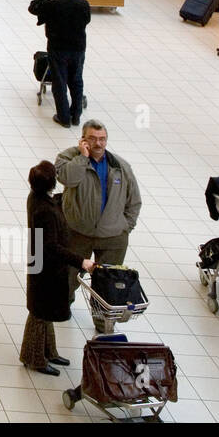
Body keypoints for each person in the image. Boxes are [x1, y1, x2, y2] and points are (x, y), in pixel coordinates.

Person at [22, 161, 97, 376]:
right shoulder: (45, 210)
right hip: (47, 268)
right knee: (39, 313)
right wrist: (81, 261)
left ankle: (48, 351)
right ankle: (34, 357)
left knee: (43, 311)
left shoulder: (36, 199)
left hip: (40, 263)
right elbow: (52, 246)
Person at [55, 120, 143, 303]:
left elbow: (134, 201)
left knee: (108, 283)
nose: (98, 143)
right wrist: (82, 157)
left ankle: (103, 322)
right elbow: (68, 179)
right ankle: (63, 306)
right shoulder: (68, 158)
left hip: (113, 237)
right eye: (93, 139)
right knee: (68, 276)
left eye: (102, 139)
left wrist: (125, 226)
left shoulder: (121, 167)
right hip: (78, 232)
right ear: (83, 140)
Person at [28, 0, 91, 128]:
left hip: (58, 48)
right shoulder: (83, 4)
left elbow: (33, 8)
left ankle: (63, 117)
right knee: (76, 81)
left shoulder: (51, 5)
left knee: (59, 82)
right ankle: (76, 116)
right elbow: (86, 20)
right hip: (78, 48)